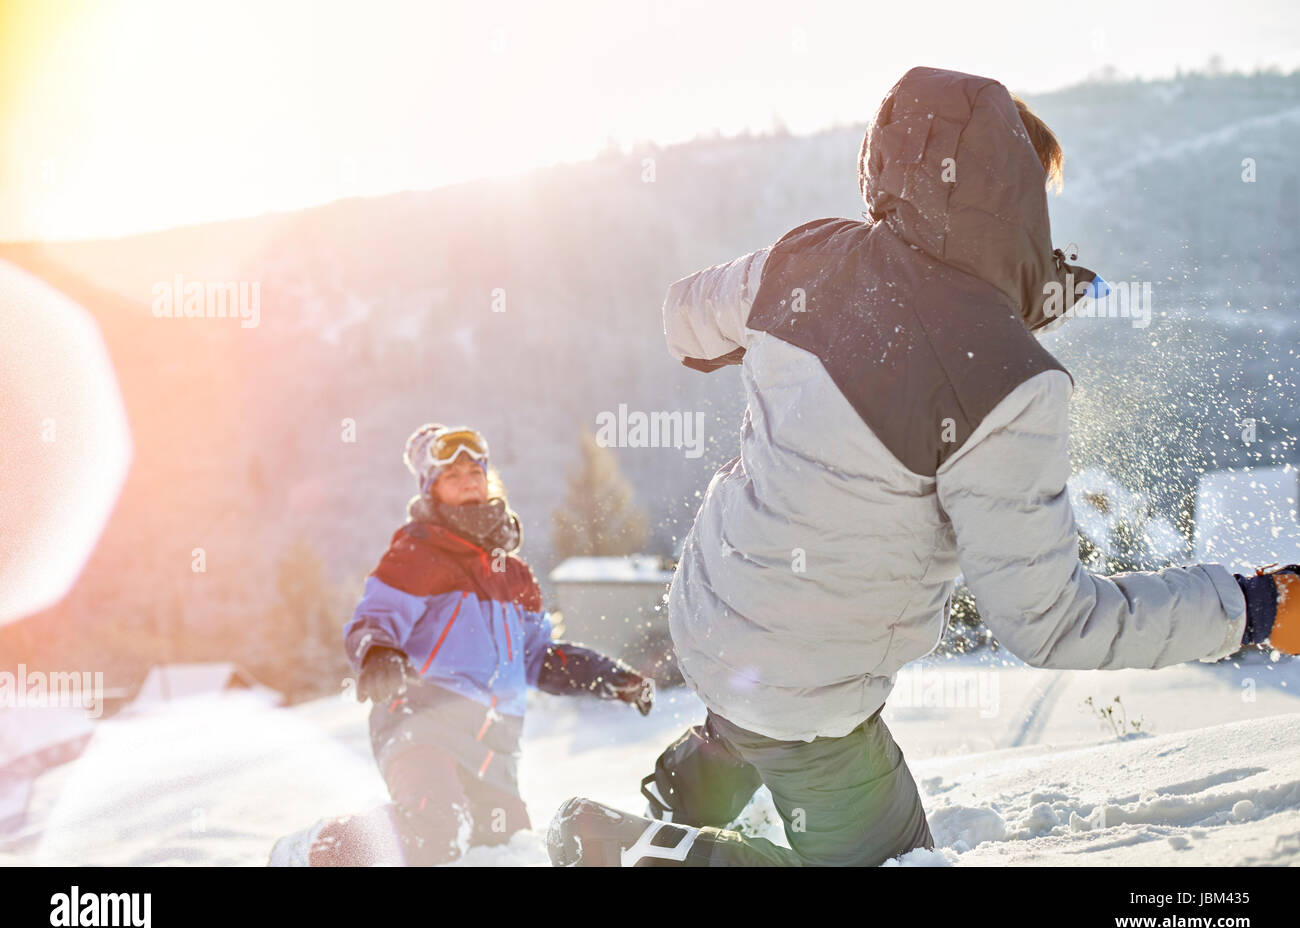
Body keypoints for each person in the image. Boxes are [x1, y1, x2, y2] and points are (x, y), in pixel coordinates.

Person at [547, 65, 1300, 867]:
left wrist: (797, 322)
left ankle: (705, 774)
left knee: (772, 681)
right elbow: (1052, 621)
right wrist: (1252, 607)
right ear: (1015, 197)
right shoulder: (1013, 382)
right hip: (812, 684)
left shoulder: (808, 256)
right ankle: (663, 854)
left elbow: (684, 319)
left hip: (712, 609)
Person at [271, 423, 654, 866]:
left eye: (475, 472)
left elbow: (539, 657)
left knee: (501, 848)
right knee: (437, 829)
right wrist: (378, 654)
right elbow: (374, 620)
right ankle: (311, 852)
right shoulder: (417, 554)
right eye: (452, 476)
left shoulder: (514, 574)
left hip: (494, 740)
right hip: (421, 719)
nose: (468, 481)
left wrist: (608, 677)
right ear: (432, 491)